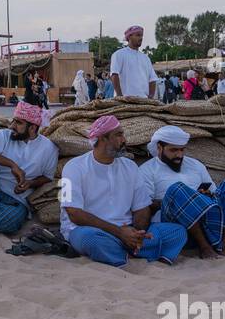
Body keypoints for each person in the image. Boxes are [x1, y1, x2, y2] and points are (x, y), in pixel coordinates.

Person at [59, 114, 189, 266]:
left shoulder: (130, 166)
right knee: (91, 240)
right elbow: (74, 213)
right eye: (119, 135)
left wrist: (136, 235)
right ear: (102, 139)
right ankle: (128, 255)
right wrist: (120, 233)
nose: (124, 140)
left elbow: (142, 207)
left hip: (127, 230)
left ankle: (124, 252)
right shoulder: (72, 167)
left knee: (178, 232)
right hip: (91, 230)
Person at [139, 125, 225, 259]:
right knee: (178, 190)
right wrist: (186, 199)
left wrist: (205, 195)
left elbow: (214, 192)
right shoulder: (147, 170)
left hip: (207, 217)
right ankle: (204, 247)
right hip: (175, 222)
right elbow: (146, 204)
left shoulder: (195, 165)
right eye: (173, 150)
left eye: (182, 150)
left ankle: (223, 245)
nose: (179, 155)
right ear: (159, 148)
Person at [0, 102, 58, 239]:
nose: (12, 126)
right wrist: (12, 165)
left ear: (32, 128)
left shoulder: (49, 148)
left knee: (10, 223)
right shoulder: (5, 135)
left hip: (16, 199)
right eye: (13, 120)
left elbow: (48, 177)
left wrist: (30, 183)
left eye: (18, 123)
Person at [110, 25, 159, 99]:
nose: (141, 38)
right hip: (125, 100)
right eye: (138, 35)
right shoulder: (118, 54)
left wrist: (150, 97)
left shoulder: (146, 58)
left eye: (141, 36)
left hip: (143, 100)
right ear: (129, 37)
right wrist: (120, 96)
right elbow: (114, 75)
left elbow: (152, 79)